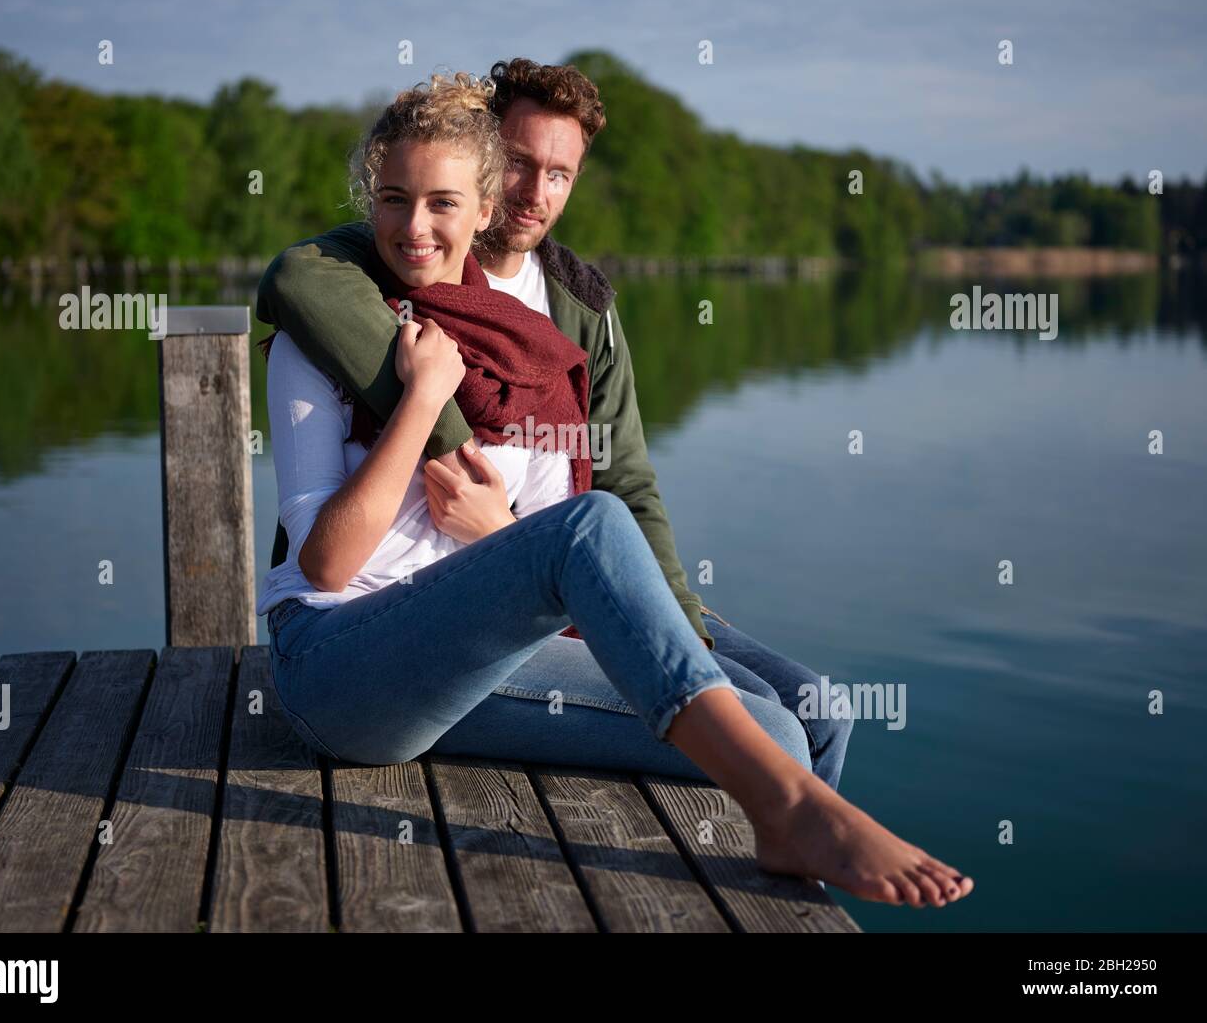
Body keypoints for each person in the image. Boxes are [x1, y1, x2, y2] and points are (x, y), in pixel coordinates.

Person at [257, 70, 973, 908]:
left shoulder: (546, 332)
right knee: (768, 728)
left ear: (478, 209)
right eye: (393, 198)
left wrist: (655, 615)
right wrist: (419, 399)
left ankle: (792, 867)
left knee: (814, 712)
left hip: (490, 631)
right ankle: (793, 814)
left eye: (443, 202)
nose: (415, 225)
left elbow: (614, 483)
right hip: (342, 667)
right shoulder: (334, 330)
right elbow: (331, 564)